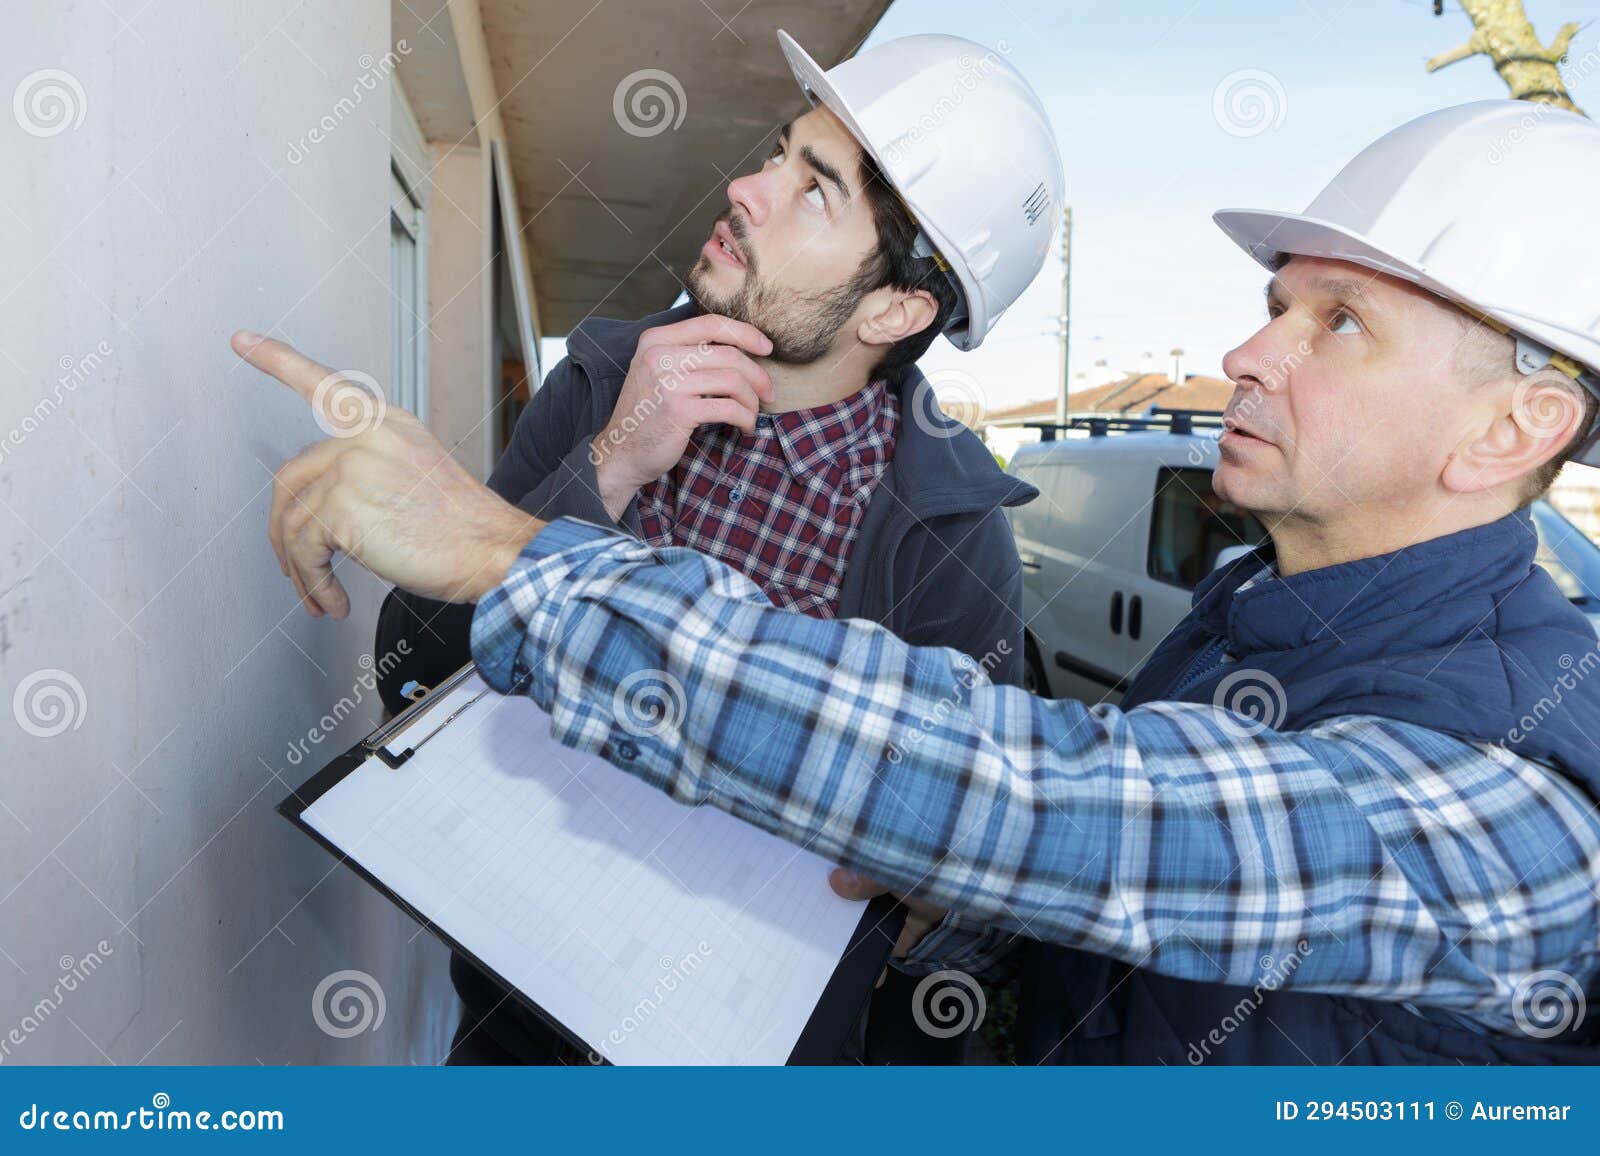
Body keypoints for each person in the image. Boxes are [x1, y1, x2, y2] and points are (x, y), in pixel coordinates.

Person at [238, 99, 1600, 1064]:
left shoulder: (1532, 800)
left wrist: (511, 550)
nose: (1248, 357)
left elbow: (1045, 800)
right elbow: (1074, 921)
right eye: (1277, 306)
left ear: (1514, 432)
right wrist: (951, 912)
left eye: (1340, 323)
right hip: (515, 1003)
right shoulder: (1248, 623)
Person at [367, 30, 1064, 1063]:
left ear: (896, 306)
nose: (747, 186)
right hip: (517, 1044)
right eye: (778, 153)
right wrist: (603, 469)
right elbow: (411, 664)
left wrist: (938, 892)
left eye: (813, 188)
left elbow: (971, 905)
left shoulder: (948, 537)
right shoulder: (600, 387)